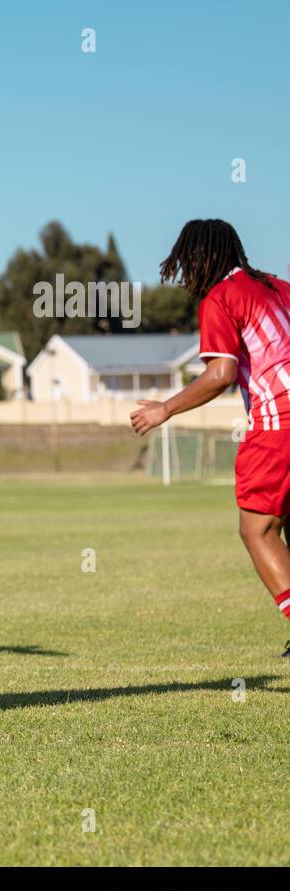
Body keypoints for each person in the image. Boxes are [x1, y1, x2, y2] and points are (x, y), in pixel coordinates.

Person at [131, 219, 290, 657]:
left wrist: (165, 408)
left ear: (202, 257)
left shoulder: (222, 297)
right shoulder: (281, 286)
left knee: (257, 530)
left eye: (186, 262)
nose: (185, 273)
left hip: (279, 423)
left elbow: (220, 374)